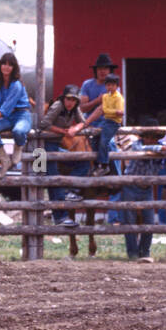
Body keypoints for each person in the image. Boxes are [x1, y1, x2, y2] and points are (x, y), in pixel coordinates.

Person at [116, 123, 166, 261]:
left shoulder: (161, 146)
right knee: (129, 221)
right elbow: (142, 149)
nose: (150, 140)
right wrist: (161, 148)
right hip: (131, 184)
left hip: (147, 187)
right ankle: (133, 253)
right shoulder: (137, 145)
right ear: (143, 137)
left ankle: (145, 252)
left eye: (153, 137)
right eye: (148, 137)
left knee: (149, 221)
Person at [38, 84, 90, 226]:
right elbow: (44, 124)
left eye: (73, 100)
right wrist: (64, 132)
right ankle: (60, 217)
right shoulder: (57, 106)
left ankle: (70, 190)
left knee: (84, 162)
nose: (70, 102)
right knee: (53, 179)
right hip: (42, 148)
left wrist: (75, 128)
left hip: (57, 145)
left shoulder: (74, 107)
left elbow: (83, 122)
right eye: (68, 99)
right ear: (63, 98)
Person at [79, 53, 118, 166]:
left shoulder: (114, 87)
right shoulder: (87, 85)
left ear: (110, 70)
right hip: (90, 124)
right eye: (100, 68)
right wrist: (98, 100)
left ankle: (117, 176)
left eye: (106, 68)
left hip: (108, 123)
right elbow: (83, 108)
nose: (103, 71)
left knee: (109, 144)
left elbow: (103, 109)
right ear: (95, 70)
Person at [83, 73, 124, 174]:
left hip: (113, 123)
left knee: (107, 142)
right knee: (94, 139)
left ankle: (108, 167)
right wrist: (113, 112)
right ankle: (96, 165)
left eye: (113, 85)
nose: (110, 87)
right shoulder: (103, 95)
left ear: (117, 86)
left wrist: (110, 112)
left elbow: (118, 112)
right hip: (104, 121)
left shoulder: (118, 97)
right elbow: (103, 109)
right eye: (108, 85)